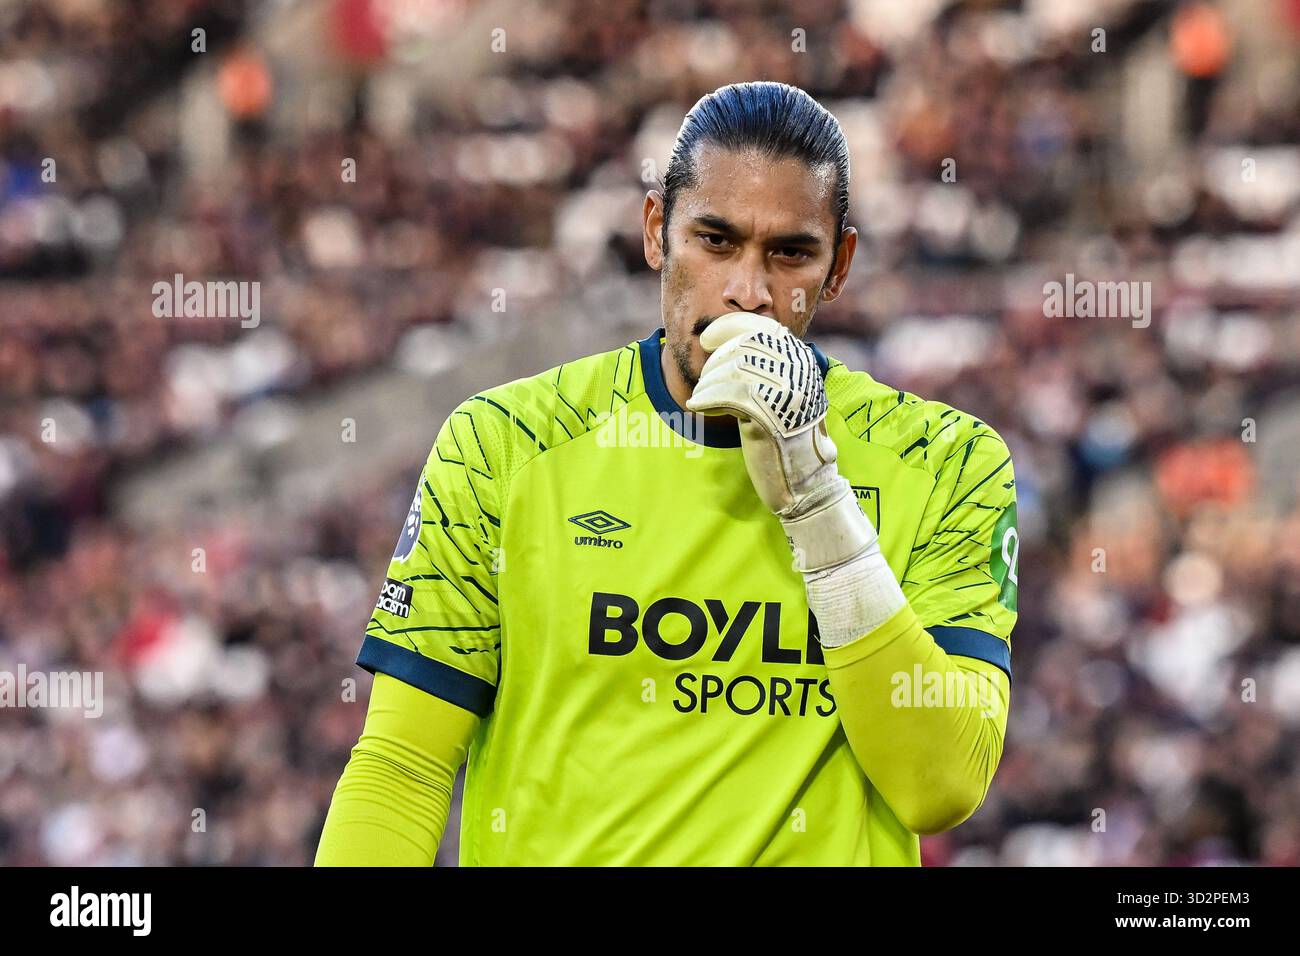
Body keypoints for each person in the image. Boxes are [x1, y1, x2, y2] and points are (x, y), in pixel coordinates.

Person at [316, 81, 1016, 866]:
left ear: (839, 265)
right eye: (715, 241)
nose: (748, 291)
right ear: (657, 232)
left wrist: (820, 508)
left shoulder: (944, 460)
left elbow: (942, 785)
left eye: (790, 253)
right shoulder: (504, 445)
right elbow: (402, 768)